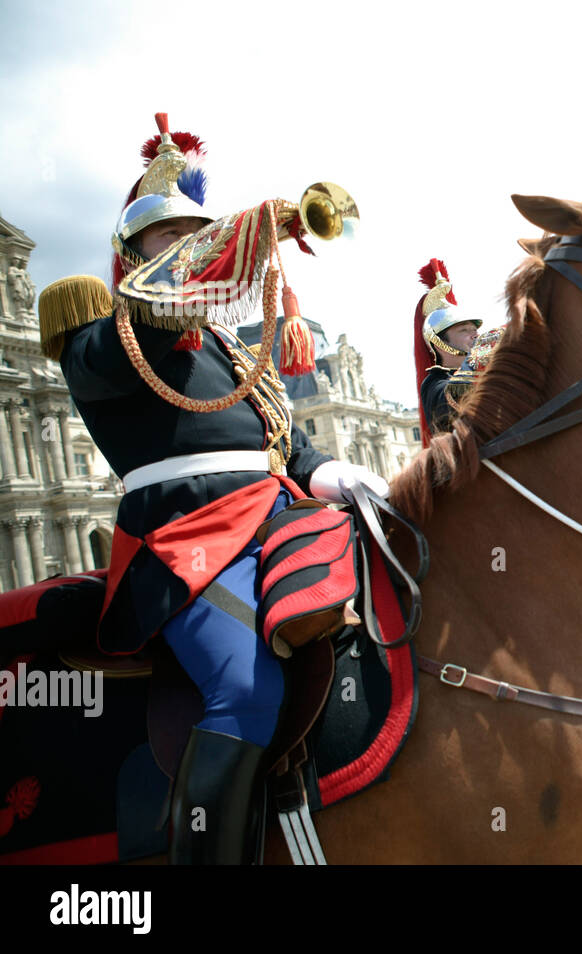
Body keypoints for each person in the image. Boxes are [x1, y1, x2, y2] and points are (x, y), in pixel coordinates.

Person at [43, 114, 387, 865]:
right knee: (247, 690)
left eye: (204, 236)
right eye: (174, 239)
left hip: (279, 515)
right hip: (187, 546)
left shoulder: (231, 347)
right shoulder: (100, 337)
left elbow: (281, 439)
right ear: (132, 256)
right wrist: (223, 246)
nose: (192, 250)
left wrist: (328, 470)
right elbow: (154, 321)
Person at [415, 259, 482, 444]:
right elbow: (453, 399)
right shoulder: (434, 383)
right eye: (464, 331)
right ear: (439, 343)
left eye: (474, 329)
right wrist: (476, 361)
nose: (475, 335)